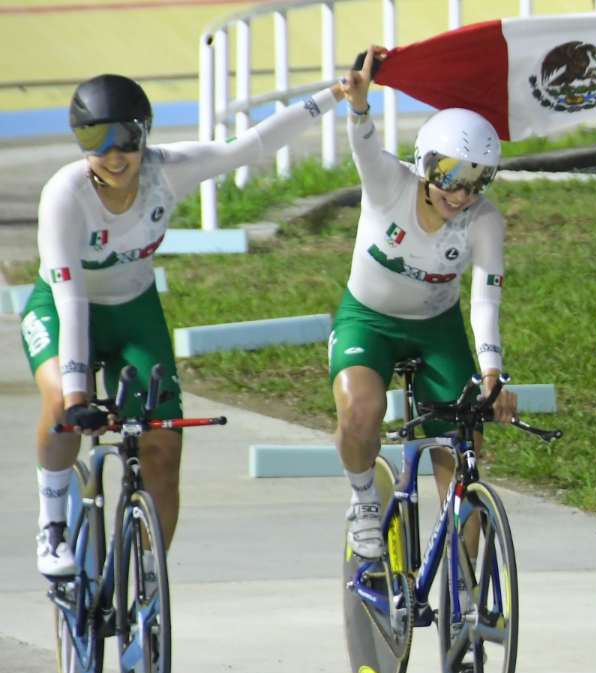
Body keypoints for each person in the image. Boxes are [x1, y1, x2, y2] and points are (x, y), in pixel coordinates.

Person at [23, 73, 344, 576]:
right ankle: (52, 524)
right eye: (93, 139)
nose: (112, 155)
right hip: (62, 307)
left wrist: (336, 95)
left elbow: (252, 145)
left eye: (124, 138)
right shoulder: (63, 195)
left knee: (164, 450)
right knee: (63, 401)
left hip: (135, 312)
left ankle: (149, 583)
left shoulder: (167, 171)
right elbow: (72, 300)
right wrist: (78, 398)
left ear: (144, 134)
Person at [332, 47, 516, 561]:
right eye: (450, 175)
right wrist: (359, 106)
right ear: (424, 164)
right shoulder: (389, 183)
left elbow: (486, 300)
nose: (461, 193)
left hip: (438, 328)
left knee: (465, 456)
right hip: (367, 320)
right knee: (361, 409)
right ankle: (364, 497)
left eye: (477, 179)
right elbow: (363, 144)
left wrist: (492, 370)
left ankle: (465, 586)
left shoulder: (485, 222)